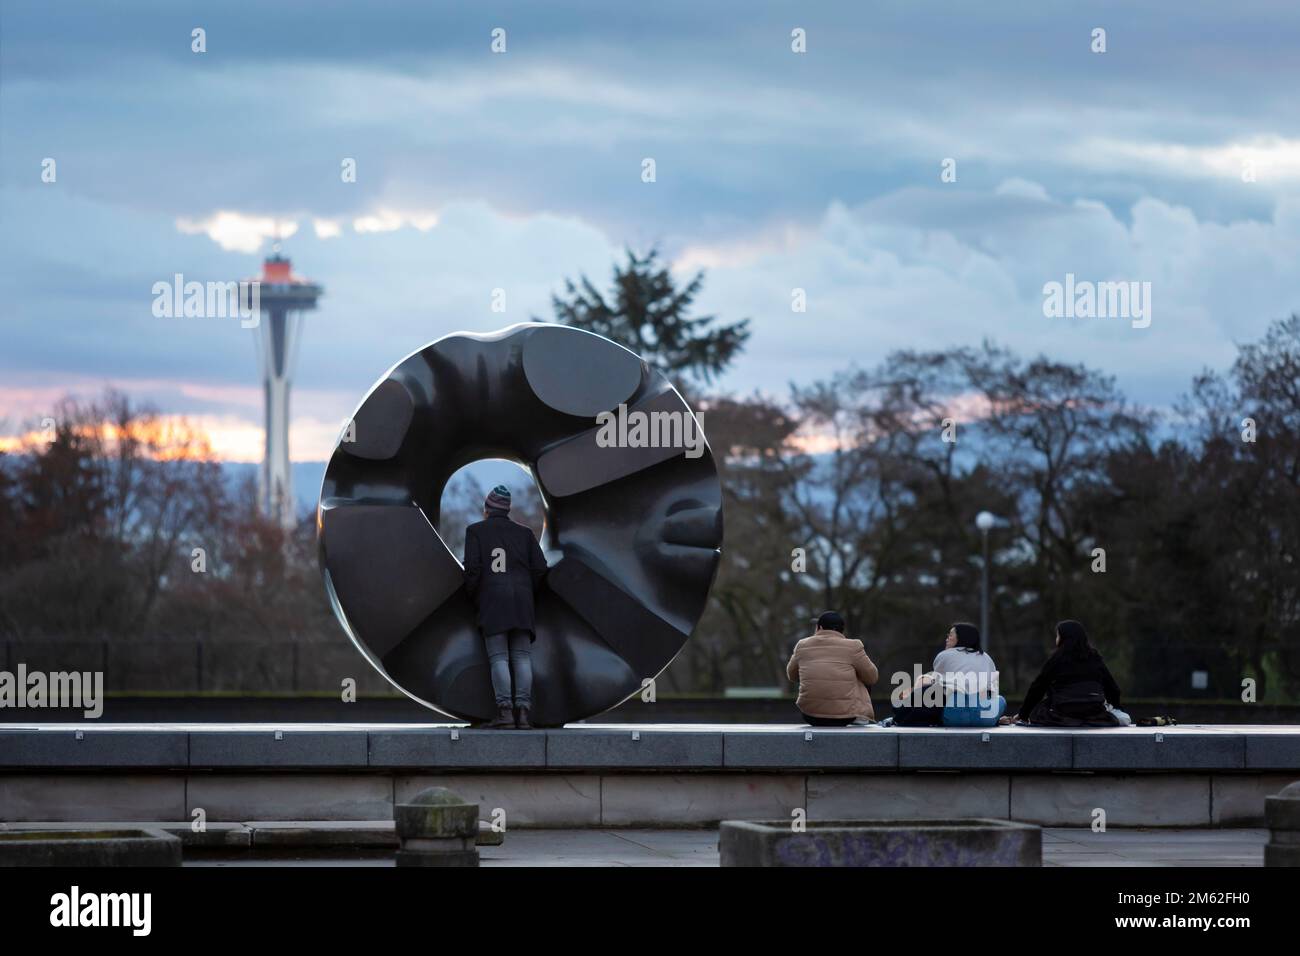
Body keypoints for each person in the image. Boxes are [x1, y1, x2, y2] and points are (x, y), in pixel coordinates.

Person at [462, 485, 548, 729]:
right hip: (522, 602)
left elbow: (473, 570)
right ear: (507, 509)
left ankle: (505, 712)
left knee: (498, 658)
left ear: (487, 509)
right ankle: (523, 713)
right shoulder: (525, 533)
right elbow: (541, 568)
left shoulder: (475, 531)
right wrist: (526, 591)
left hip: (492, 601)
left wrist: (475, 595)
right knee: (522, 657)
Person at [1002, 619, 1121, 727]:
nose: (1056, 639)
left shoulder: (1057, 659)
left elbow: (1038, 688)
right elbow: (1112, 688)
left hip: (1064, 711)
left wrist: (1023, 714)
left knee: (1039, 711)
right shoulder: (1095, 658)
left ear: (1064, 638)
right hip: (1093, 710)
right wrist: (1117, 708)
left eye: (1058, 636)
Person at [886, 622, 1005, 727]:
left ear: (961, 638)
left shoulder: (945, 655)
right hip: (986, 717)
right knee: (1000, 699)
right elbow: (991, 690)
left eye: (950, 635)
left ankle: (903, 714)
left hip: (954, 716)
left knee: (933, 693)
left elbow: (935, 683)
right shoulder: (987, 658)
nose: (947, 638)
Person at [786, 611, 879, 726]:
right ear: (842, 630)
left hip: (810, 715)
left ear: (819, 627)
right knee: (862, 672)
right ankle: (859, 716)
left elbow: (792, 676)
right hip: (845, 717)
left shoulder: (802, 645)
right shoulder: (853, 646)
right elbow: (872, 678)